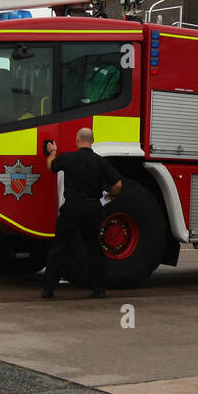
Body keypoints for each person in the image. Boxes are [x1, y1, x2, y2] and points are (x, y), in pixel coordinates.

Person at [42, 128, 122, 299]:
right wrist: (110, 196)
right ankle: (99, 289)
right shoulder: (100, 162)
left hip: (71, 208)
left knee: (59, 247)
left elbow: (50, 166)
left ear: (77, 140)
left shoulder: (68, 158)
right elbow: (118, 184)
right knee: (94, 248)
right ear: (92, 141)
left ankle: (48, 288)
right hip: (92, 208)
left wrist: (53, 151)